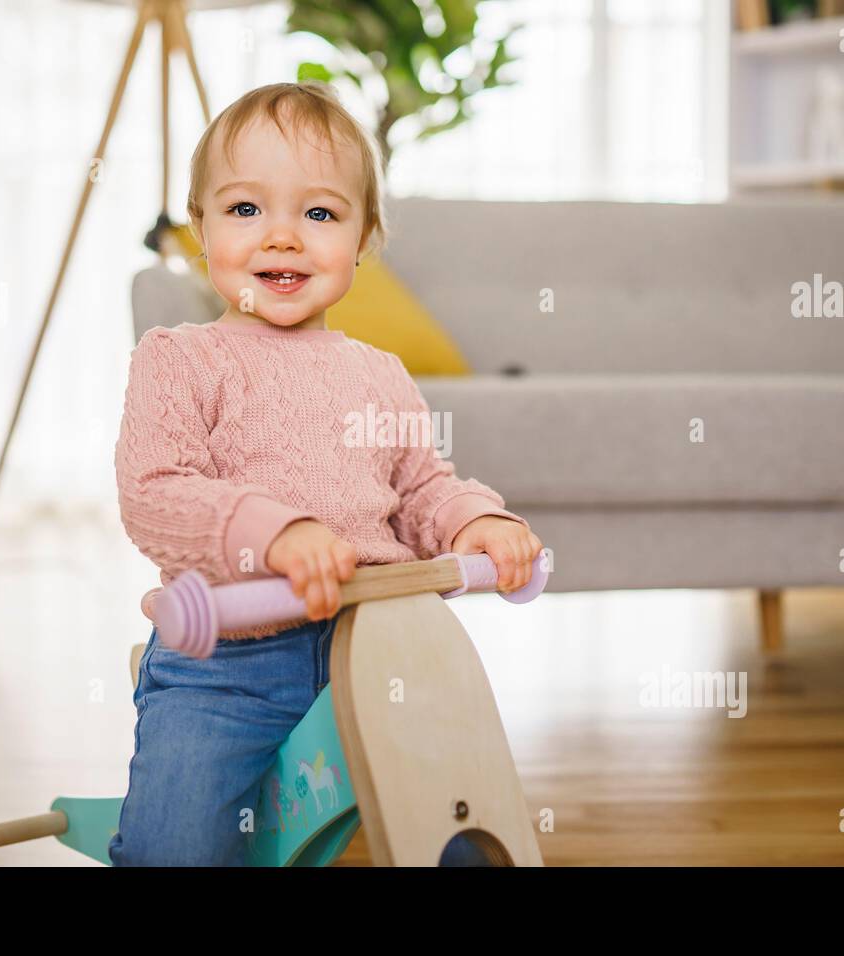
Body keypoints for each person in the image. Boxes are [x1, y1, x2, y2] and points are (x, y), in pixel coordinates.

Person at [108, 81, 541, 866]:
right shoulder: (179, 359)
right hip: (227, 667)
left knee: (457, 811)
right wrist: (276, 534)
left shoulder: (380, 374)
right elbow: (155, 494)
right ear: (199, 228)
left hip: (380, 651)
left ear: (364, 236)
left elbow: (421, 490)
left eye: (318, 214)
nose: (281, 238)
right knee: (178, 844)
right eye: (244, 211)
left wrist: (477, 522)